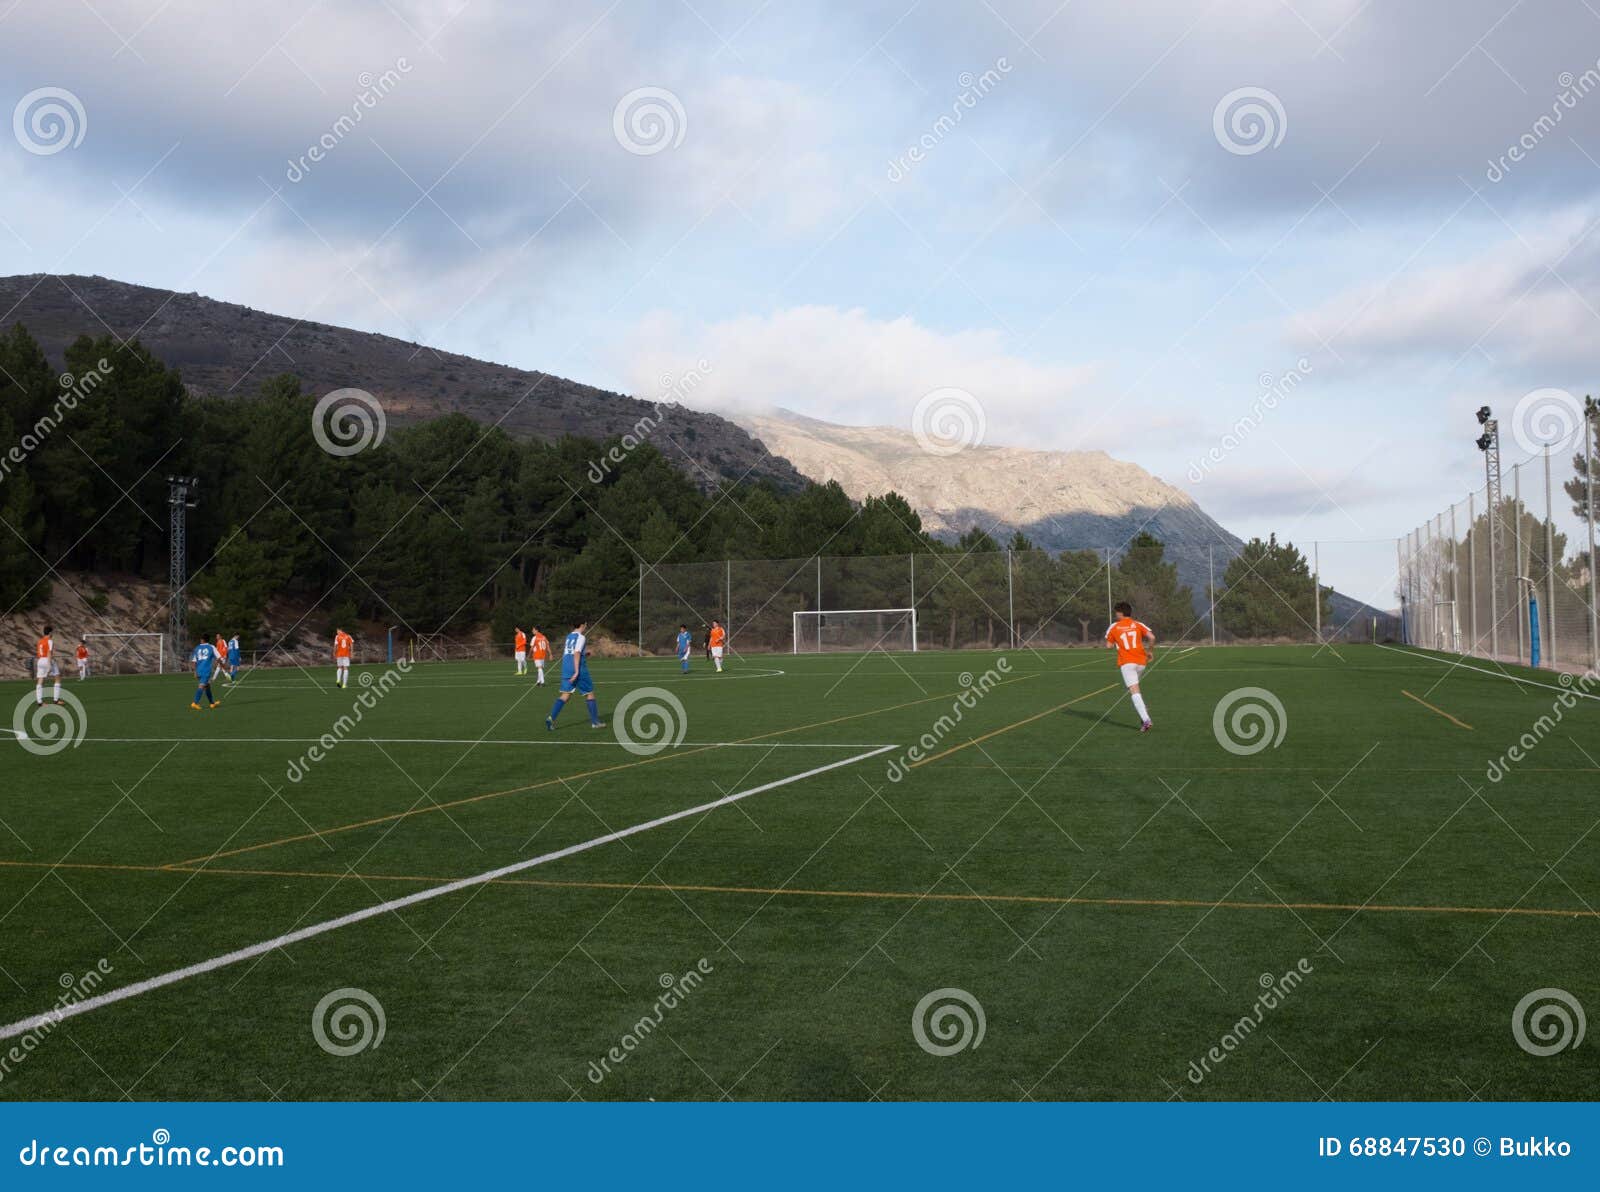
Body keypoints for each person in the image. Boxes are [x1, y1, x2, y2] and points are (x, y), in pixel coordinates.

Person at [1105, 601, 1155, 732]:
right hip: (1141, 662)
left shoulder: (1114, 626)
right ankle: (1143, 710)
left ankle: (1146, 720)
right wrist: (1150, 651)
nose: (1115, 614)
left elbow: (1108, 646)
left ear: (1120, 613)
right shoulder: (1138, 624)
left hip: (1127, 663)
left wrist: (1115, 642)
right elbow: (1152, 637)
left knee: (1133, 690)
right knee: (1134, 688)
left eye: (1116, 612)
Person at [546, 619, 603, 731]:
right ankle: (595, 723)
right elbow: (576, 653)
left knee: (565, 696)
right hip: (579, 670)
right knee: (589, 694)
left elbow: (572, 652)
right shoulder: (581, 637)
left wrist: (584, 654)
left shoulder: (569, 636)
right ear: (582, 625)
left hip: (566, 668)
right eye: (586, 624)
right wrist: (577, 671)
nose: (586, 626)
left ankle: (551, 718)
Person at [34, 626, 61, 706]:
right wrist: (49, 664)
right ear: (50, 633)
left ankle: (40, 702)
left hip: (40, 660)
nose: (52, 634)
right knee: (57, 678)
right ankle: (56, 700)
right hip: (47, 660)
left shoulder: (40, 641)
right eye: (52, 632)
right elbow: (49, 652)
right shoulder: (50, 641)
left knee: (40, 680)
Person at [191, 638, 220, 710]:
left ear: (202, 640)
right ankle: (195, 703)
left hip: (199, 670)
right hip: (206, 670)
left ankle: (212, 703)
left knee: (207, 686)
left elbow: (194, 661)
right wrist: (220, 664)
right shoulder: (211, 647)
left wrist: (195, 671)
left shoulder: (197, 648)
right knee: (202, 686)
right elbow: (219, 657)